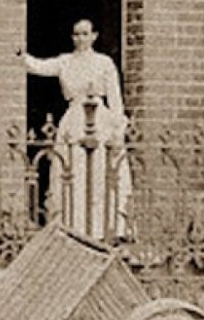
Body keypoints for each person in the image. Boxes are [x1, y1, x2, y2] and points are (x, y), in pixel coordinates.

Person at [24, 18, 132, 242]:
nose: (81, 39)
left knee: (100, 171)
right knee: (72, 169)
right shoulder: (66, 62)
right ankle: (73, 225)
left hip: (99, 118)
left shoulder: (104, 63)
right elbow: (39, 66)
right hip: (73, 119)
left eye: (85, 34)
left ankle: (103, 227)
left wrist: (117, 127)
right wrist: (19, 55)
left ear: (94, 36)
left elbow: (115, 98)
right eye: (76, 34)